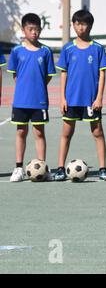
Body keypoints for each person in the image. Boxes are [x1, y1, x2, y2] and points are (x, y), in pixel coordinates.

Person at [54, 9, 106, 181]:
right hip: (71, 99)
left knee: (97, 133)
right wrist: (63, 98)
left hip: (91, 100)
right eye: (78, 24)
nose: (81, 27)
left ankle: (103, 169)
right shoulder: (68, 49)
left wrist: (99, 97)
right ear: (73, 25)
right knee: (66, 133)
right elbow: (63, 74)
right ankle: (59, 168)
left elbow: (102, 74)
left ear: (90, 26)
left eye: (84, 24)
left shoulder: (98, 49)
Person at [7, 13, 56, 182]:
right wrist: (24, 88)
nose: (34, 33)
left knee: (39, 133)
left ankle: (42, 168)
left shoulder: (46, 51)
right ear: (23, 30)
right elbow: (15, 75)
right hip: (21, 100)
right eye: (30, 29)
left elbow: (48, 76)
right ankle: (19, 168)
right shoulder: (16, 51)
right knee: (21, 132)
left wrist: (38, 87)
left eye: (37, 29)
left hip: (39, 100)